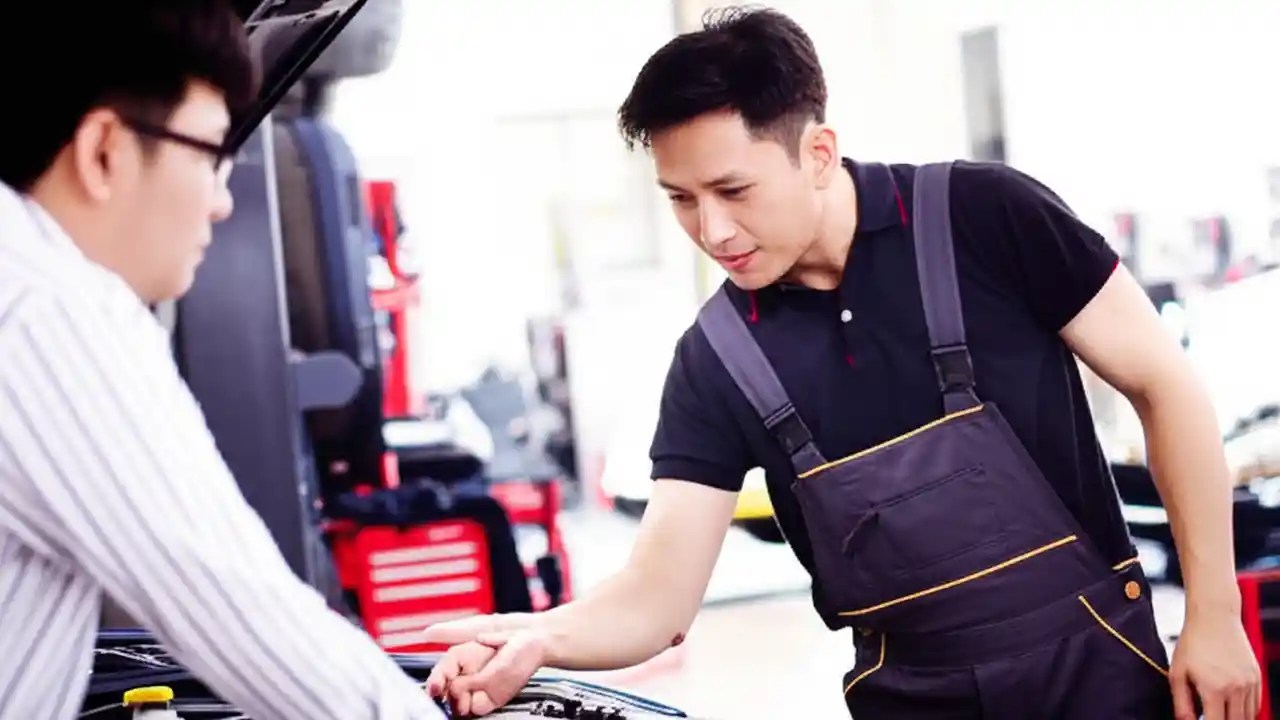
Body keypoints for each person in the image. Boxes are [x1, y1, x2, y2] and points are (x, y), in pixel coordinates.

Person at [423, 7, 1261, 720]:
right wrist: (538, 637)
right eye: (680, 200)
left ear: (818, 153)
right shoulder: (716, 360)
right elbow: (657, 597)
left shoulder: (985, 217)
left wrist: (1215, 612)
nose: (712, 232)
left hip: (1102, 678)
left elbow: (1165, 386)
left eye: (733, 190)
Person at [0, 3, 445, 718]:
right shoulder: (51, 310)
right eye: (211, 151)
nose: (220, 200)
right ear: (104, 151)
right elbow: (255, 627)